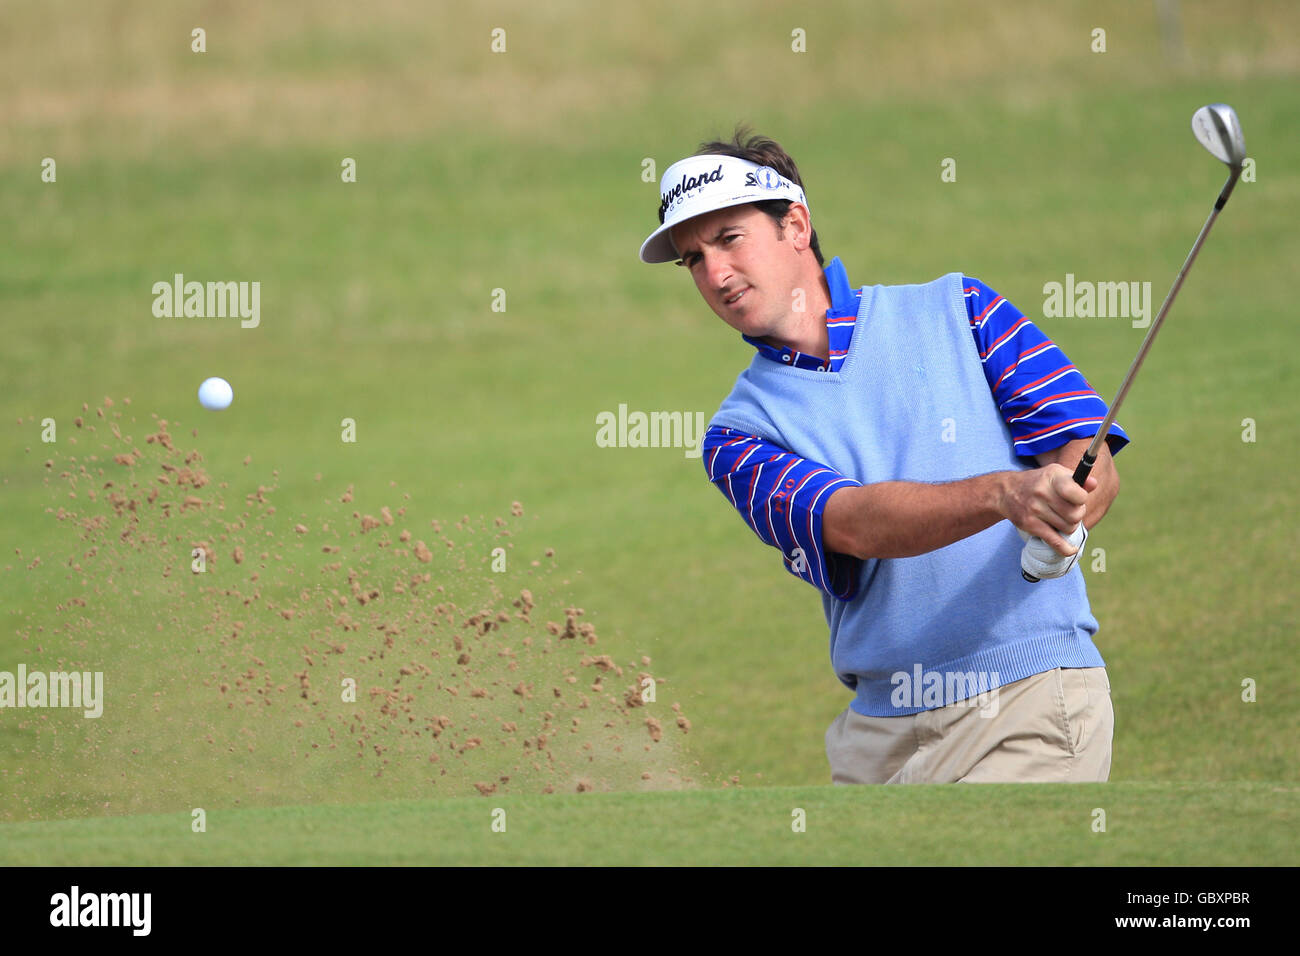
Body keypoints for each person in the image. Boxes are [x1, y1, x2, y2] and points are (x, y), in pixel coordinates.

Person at [638, 128, 1128, 784]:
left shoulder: (962, 306)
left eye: (729, 238)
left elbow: (1087, 451)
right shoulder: (735, 439)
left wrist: (1069, 500)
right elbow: (855, 524)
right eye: (693, 259)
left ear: (796, 225)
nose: (715, 274)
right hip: (879, 743)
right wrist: (1005, 494)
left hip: (1028, 698)